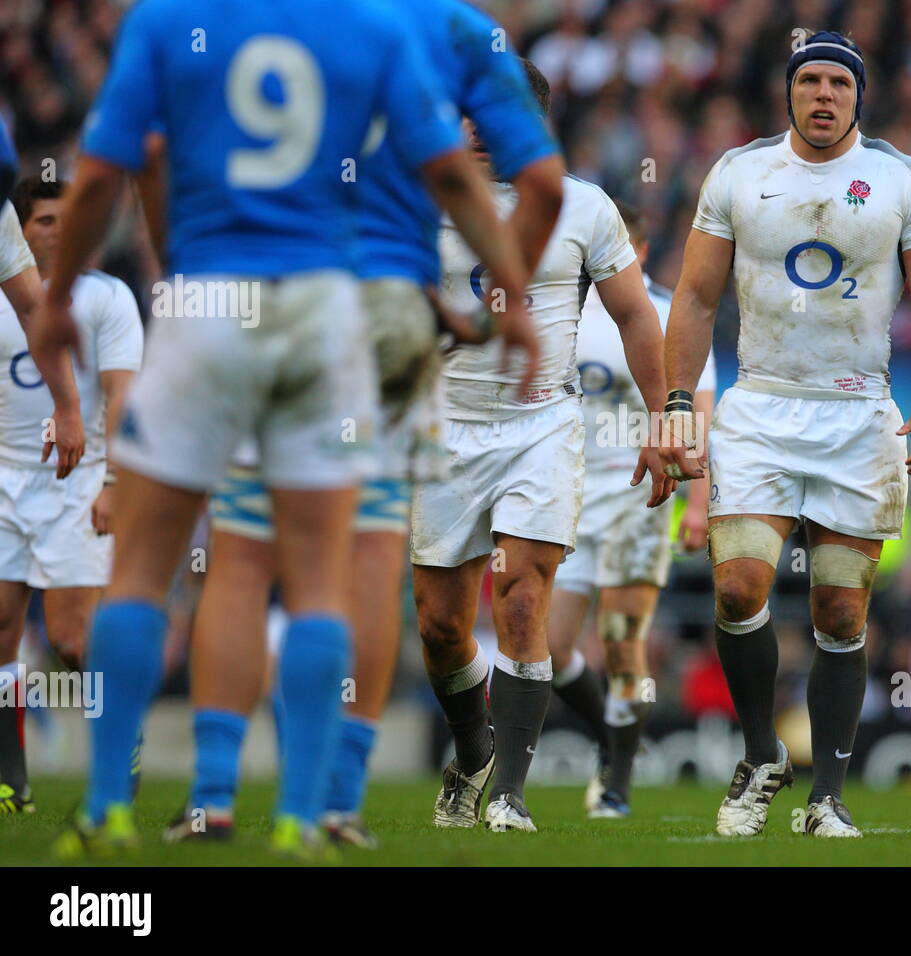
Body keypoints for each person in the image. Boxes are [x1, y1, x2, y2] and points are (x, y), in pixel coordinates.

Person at [37, 0, 532, 859]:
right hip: (324, 310)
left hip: (210, 300)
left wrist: (58, 295)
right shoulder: (373, 30)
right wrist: (513, 295)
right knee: (325, 577)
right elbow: (451, 171)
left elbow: (115, 165)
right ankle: (311, 814)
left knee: (157, 568)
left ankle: (112, 803)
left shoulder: (167, 21)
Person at [163, 3, 564, 851]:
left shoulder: (210, 25)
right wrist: (494, 300)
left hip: (251, 299)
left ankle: (209, 796)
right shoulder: (424, 36)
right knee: (369, 564)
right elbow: (531, 184)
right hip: (380, 312)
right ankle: (332, 799)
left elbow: (154, 155)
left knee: (238, 559)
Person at [661, 32, 911, 837]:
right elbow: (692, 300)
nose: (823, 94)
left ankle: (825, 797)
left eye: (838, 82)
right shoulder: (739, 172)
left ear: (858, 95)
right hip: (760, 404)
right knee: (736, 589)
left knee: (838, 610)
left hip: (858, 410)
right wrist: (674, 404)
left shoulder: (900, 181)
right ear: (789, 93)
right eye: (810, 81)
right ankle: (762, 753)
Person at [416, 63, 675, 832]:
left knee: (524, 598)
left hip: (539, 425)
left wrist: (666, 418)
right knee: (439, 626)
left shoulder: (584, 207)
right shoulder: (418, 198)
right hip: (442, 428)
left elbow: (636, 315)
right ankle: (473, 753)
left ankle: (511, 798)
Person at [547, 199, 716, 818]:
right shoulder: (557, 310)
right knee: (549, 647)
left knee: (621, 642)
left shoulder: (669, 314)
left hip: (639, 494)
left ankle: (615, 781)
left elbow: (697, 411)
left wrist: (697, 503)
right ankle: (614, 740)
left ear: (636, 251)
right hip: (566, 494)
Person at [0, 176, 142, 815]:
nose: (55, 232)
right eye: (43, 222)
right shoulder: (6, 296)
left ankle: (119, 742)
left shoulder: (107, 297)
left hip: (77, 478)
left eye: (65, 220)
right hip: (5, 476)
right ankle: (11, 779)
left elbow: (121, 395)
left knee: (72, 640)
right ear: (19, 232)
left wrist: (113, 480)